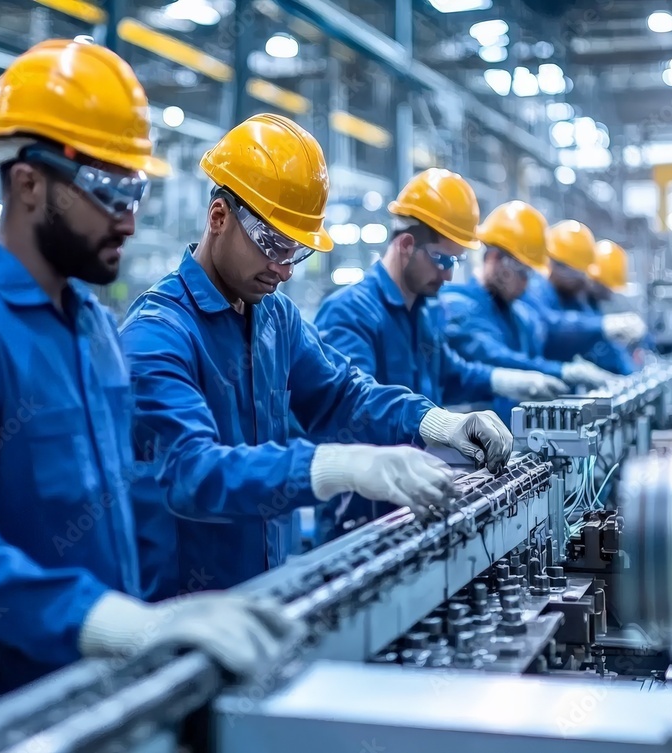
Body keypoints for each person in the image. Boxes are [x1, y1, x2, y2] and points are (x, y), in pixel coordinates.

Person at [0, 40, 299, 725]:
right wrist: (114, 623)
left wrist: (163, 617)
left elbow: (133, 506)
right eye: (107, 192)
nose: (128, 219)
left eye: (137, 191)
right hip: (9, 719)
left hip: (109, 701)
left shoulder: (93, 330)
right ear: (28, 182)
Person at [119, 114, 512, 597]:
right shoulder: (158, 333)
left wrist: (435, 422)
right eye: (273, 245)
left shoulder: (274, 318)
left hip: (275, 596)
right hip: (187, 618)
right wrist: (335, 466)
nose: (283, 271)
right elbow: (191, 471)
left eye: (296, 253)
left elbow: (341, 394)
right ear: (218, 217)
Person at [315, 170, 567, 407]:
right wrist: (427, 420)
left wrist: (501, 380)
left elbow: (451, 374)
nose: (448, 275)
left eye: (455, 262)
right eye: (442, 261)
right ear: (405, 245)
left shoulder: (424, 312)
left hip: (422, 455)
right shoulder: (350, 313)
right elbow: (355, 403)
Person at [440, 200, 615, 391]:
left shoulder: (519, 314)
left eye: (530, 273)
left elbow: (551, 332)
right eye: (522, 271)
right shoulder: (458, 306)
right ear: (494, 258)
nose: (526, 282)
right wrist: (561, 371)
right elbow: (497, 357)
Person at [521, 220, 646, 375]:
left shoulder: (571, 297)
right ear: (557, 265)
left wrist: (629, 375)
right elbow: (552, 327)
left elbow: (598, 340)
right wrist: (603, 325)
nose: (582, 282)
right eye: (578, 274)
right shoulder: (533, 290)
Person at [583, 239, 645, 374]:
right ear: (595, 281)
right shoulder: (579, 304)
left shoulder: (593, 305)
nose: (610, 293)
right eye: (608, 286)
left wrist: (630, 373)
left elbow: (610, 348)